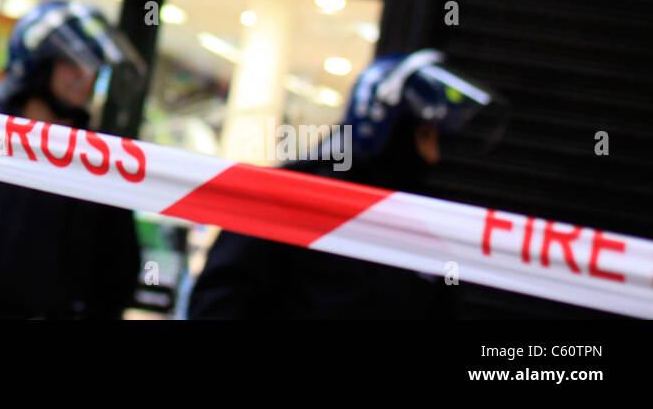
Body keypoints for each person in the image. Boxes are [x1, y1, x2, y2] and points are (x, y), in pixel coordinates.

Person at [187, 49, 505, 319]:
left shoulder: (426, 228)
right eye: (424, 137)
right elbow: (220, 305)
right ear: (384, 126)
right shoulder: (284, 199)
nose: (433, 156)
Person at [0, 0, 145, 319]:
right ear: (37, 63)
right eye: (72, 64)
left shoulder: (97, 157)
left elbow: (119, 267)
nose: (86, 78)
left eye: (94, 68)